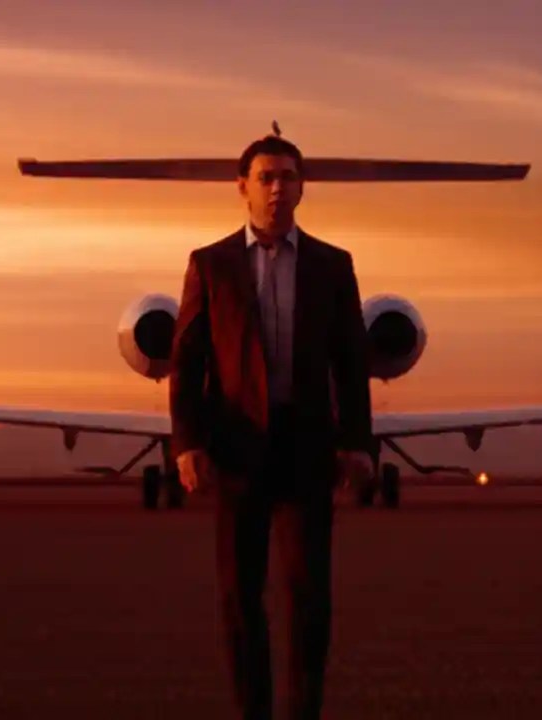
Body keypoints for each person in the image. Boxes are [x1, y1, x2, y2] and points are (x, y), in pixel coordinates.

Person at [169, 134, 374, 720]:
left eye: (288, 177)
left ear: (303, 188)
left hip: (307, 451)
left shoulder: (334, 266)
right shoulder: (210, 265)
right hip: (238, 452)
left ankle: (303, 711)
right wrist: (187, 444)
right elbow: (187, 363)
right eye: (266, 177)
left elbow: (351, 362)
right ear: (242, 188)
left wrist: (357, 443)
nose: (278, 188)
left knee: (310, 600)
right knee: (239, 599)